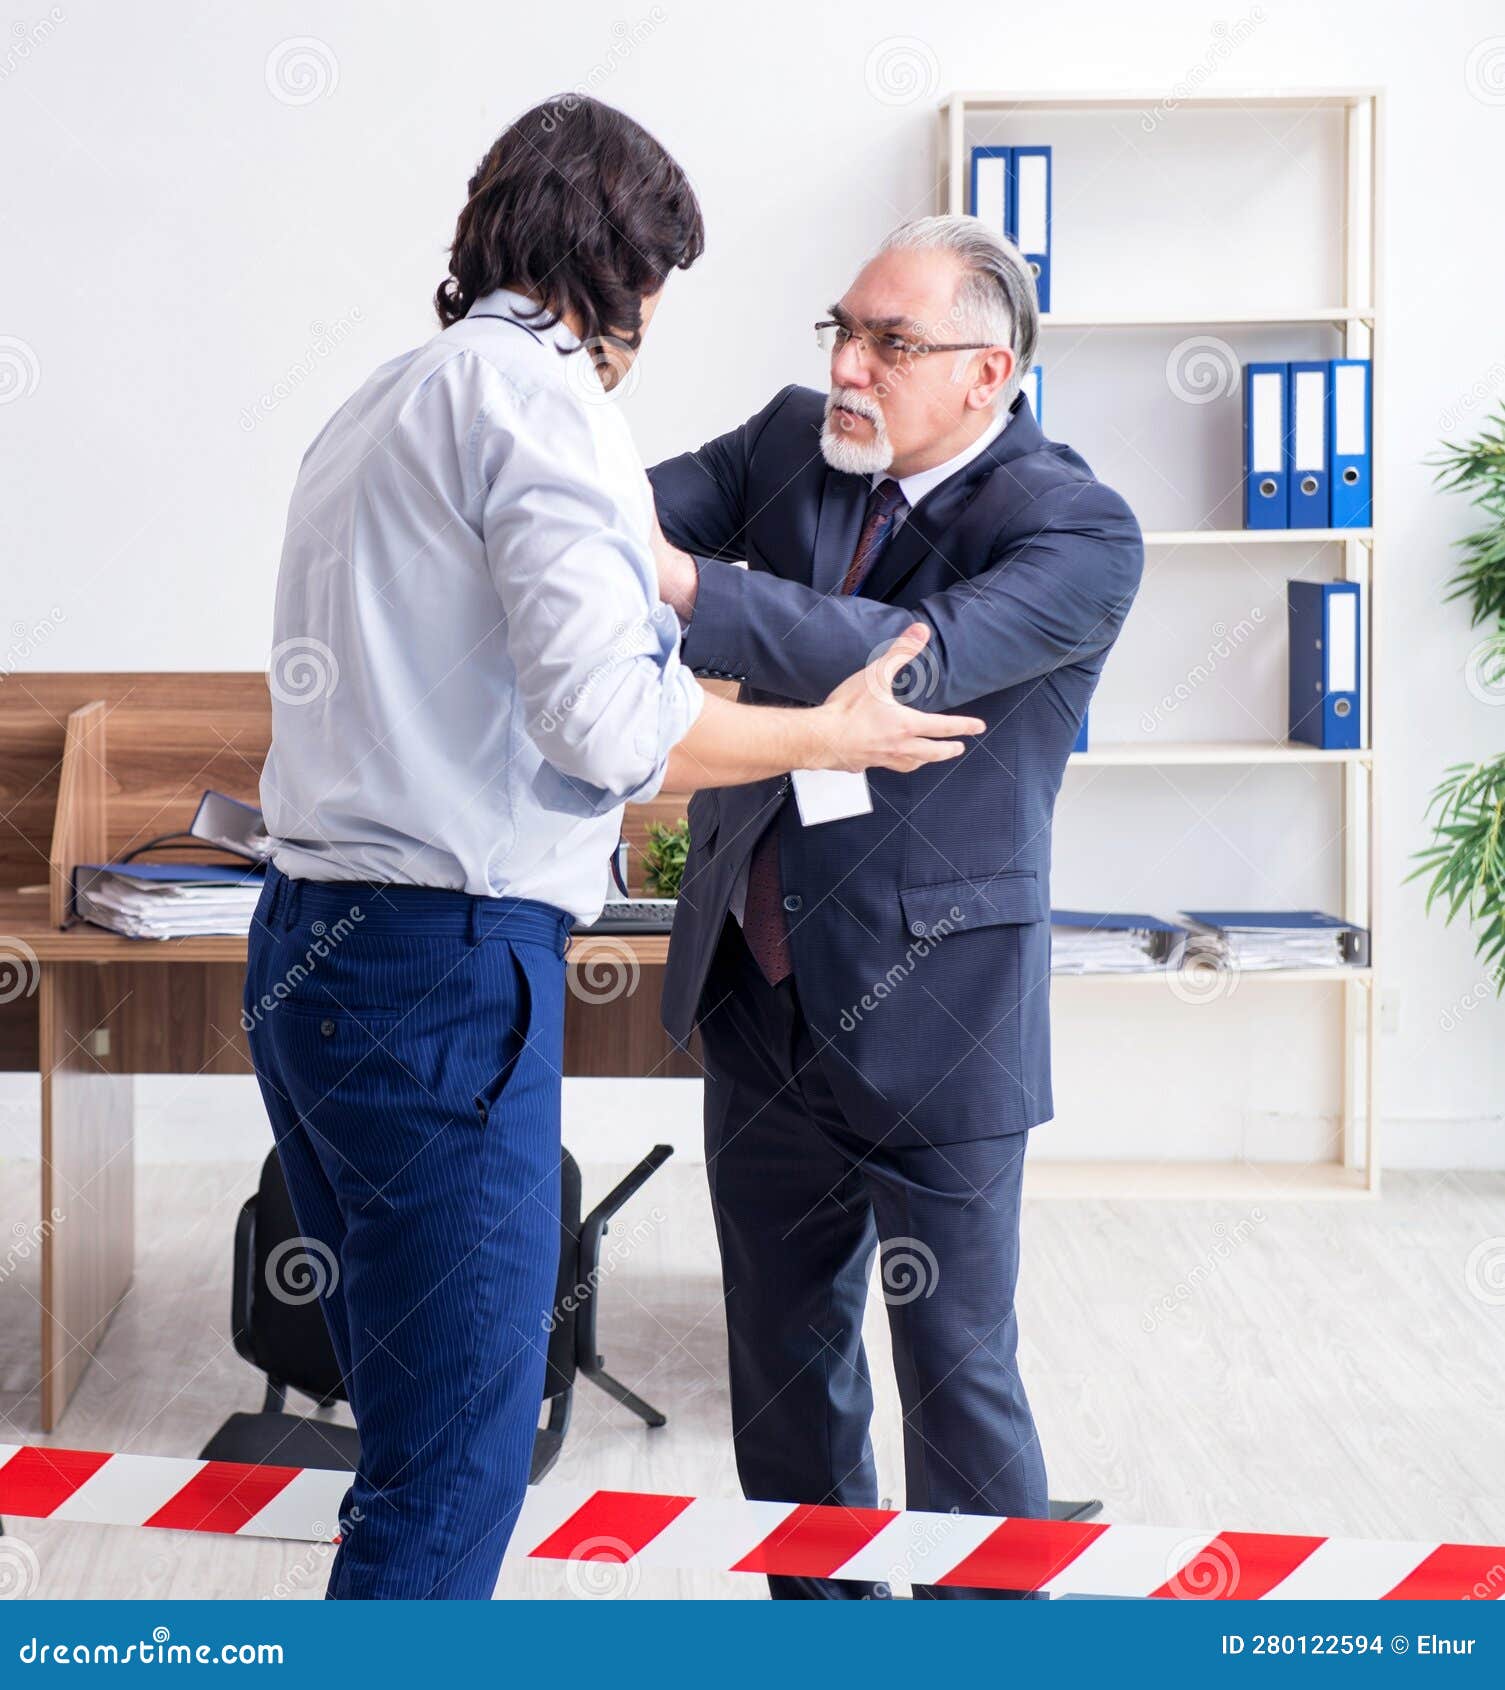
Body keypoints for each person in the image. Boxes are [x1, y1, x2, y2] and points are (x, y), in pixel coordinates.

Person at [245, 101, 982, 1601]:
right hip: (442, 970)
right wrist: (815, 735)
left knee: (403, 1433)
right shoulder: (548, 398)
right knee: (454, 1465)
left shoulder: (387, 395)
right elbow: (603, 727)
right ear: (633, 273)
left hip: (308, 949)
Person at [648, 215, 1144, 1599]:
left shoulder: (1075, 527)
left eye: (890, 342)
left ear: (988, 374)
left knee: (956, 1371)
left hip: (939, 1020)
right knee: (784, 1365)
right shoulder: (788, 442)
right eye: (842, 329)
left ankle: (984, 1631)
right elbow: (603, 513)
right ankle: (822, 1626)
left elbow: (903, 672)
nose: (848, 367)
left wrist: (691, 587)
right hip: (758, 994)